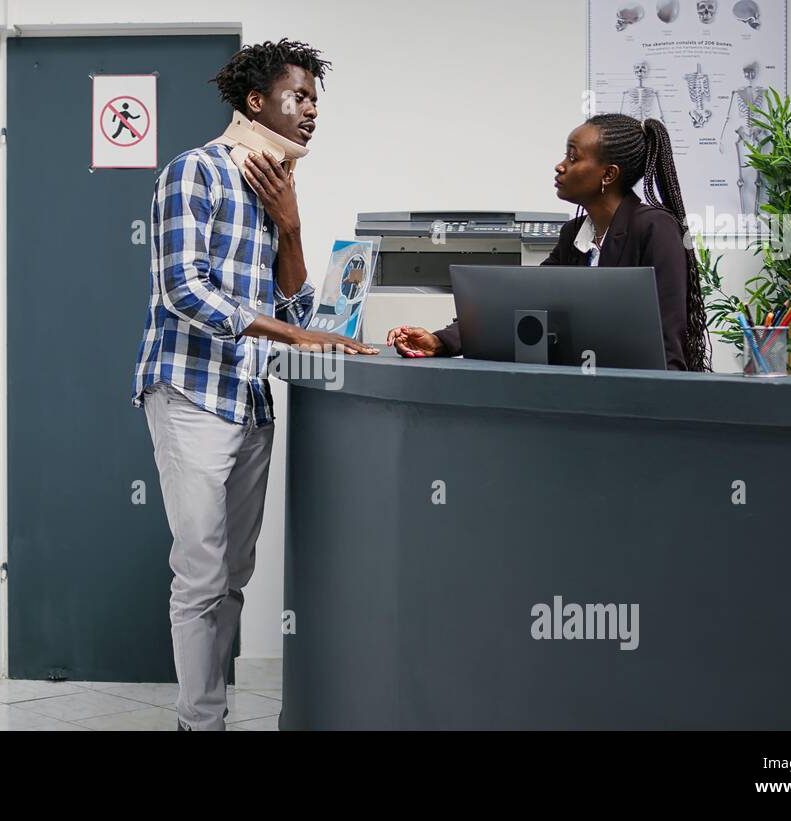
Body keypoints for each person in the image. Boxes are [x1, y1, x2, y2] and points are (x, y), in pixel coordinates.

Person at [130, 39, 377, 732]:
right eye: (299, 97)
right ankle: (199, 720)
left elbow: (298, 313)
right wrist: (295, 335)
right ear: (255, 101)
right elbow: (183, 289)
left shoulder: (276, 189)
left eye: (315, 101)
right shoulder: (195, 173)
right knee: (202, 573)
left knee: (232, 576)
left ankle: (205, 711)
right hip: (189, 391)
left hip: (249, 398)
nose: (311, 112)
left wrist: (292, 228)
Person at [387, 114, 710, 372]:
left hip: (637, 398)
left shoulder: (655, 227)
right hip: (578, 388)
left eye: (573, 156)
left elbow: (669, 338)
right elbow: (517, 302)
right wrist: (441, 341)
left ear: (608, 174)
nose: (560, 165)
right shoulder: (574, 235)